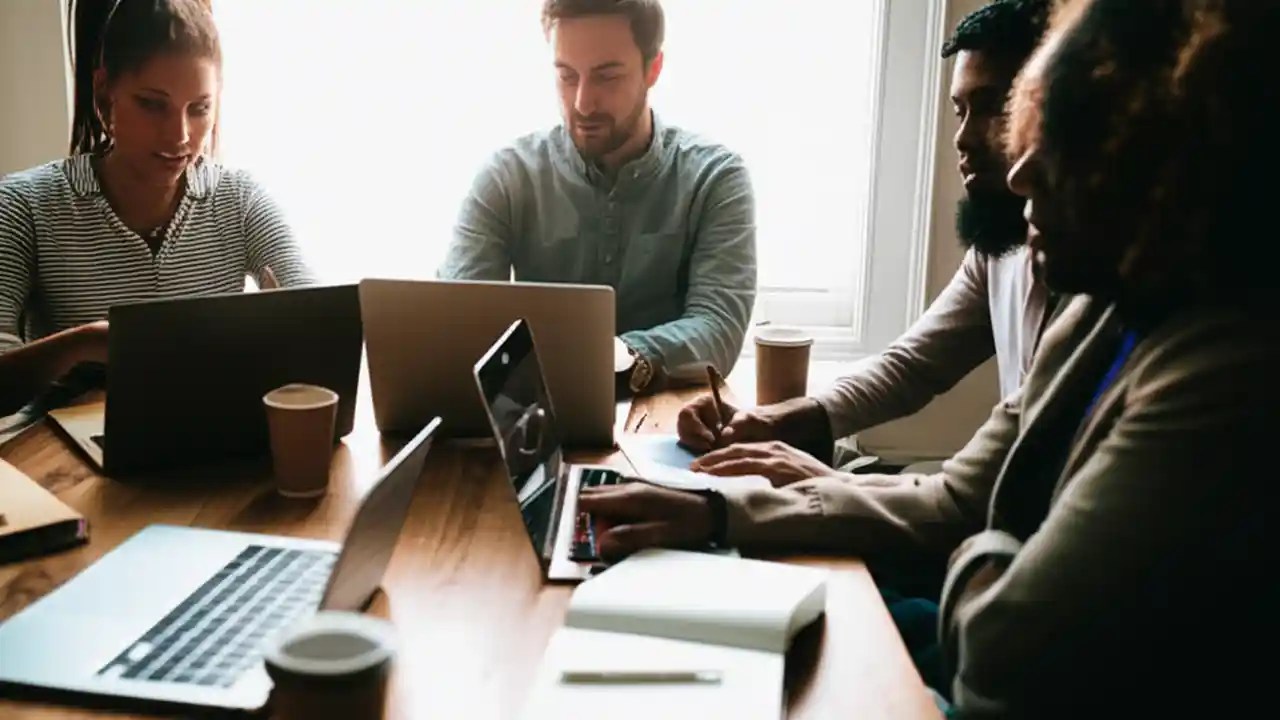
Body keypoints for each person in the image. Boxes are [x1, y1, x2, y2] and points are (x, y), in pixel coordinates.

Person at [583, 0, 1278, 714]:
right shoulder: (1102, 310)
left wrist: (980, 547)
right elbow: (950, 473)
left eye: (1065, 134)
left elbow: (1000, 646)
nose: (1017, 170)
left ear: (1170, 162)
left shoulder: (1220, 365)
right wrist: (715, 510)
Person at [676, 0, 1055, 478]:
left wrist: (823, 483)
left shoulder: (1090, 269)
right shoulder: (995, 250)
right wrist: (779, 419)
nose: (962, 138)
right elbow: (910, 367)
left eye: (992, 110)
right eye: (960, 110)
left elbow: (983, 493)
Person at [0, 0, 313, 417]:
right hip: (72, 463)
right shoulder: (24, 204)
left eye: (199, 108)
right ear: (103, 94)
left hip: (212, 438)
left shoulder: (241, 198)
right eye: (153, 104)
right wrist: (87, 343)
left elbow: (319, 322)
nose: (180, 135)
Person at [438, 0, 756, 395]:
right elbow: (459, 320)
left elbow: (717, 329)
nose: (582, 104)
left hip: (670, 427)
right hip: (536, 424)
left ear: (652, 69)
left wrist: (618, 358)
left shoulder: (715, 178)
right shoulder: (507, 177)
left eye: (607, 77)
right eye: (567, 76)